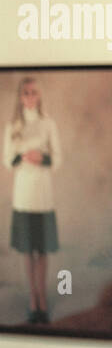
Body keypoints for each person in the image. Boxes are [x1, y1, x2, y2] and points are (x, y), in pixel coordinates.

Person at [3, 75, 61, 324]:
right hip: (23, 194)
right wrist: (23, 156)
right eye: (25, 93)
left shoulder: (48, 124)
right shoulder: (12, 127)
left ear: (39, 96)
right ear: (20, 96)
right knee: (28, 250)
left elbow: (58, 157)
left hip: (43, 194)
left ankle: (44, 298)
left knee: (42, 250)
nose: (29, 97)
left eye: (33, 93)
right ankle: (33, 300)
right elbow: (7, 161)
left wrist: (43, 158)